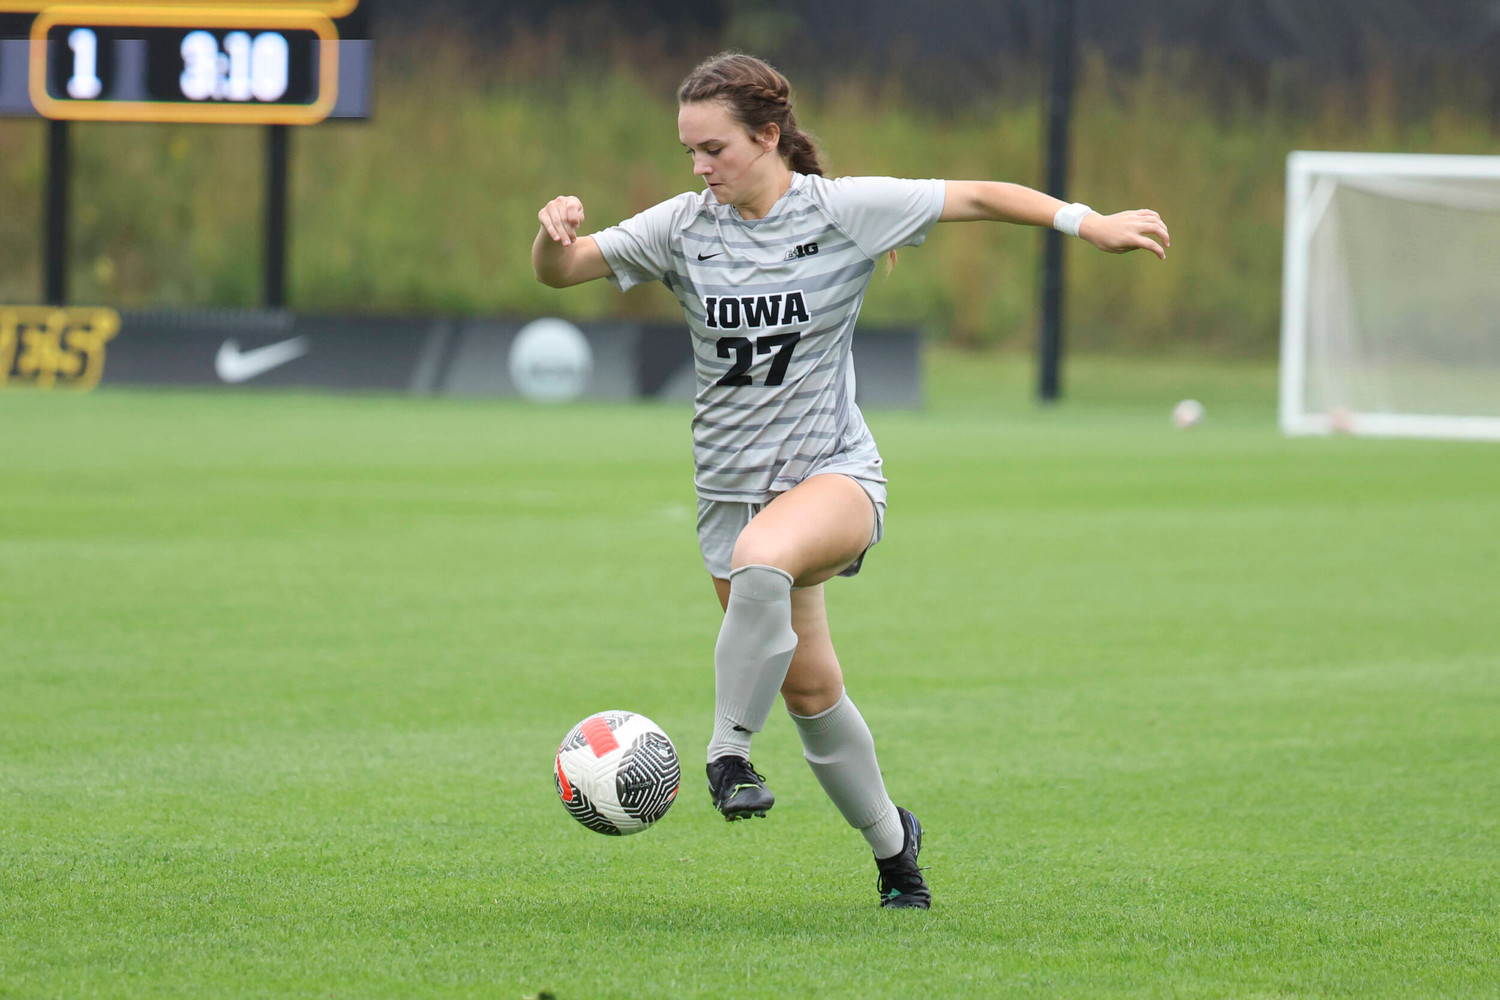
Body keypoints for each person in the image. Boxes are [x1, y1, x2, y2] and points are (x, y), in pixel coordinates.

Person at [532, 52, 1169, 910]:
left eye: (713, 149)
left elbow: (976, 195)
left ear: (768, 136)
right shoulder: (684, 226)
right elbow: (561, 273)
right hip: (728, 492)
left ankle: (725, 753)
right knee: (812, 691)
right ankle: (894, 846)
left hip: (835, 478)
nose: (699, 167)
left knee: (765, 558)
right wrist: (554, 233)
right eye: (689, 151)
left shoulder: (843, 211)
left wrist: (1088, 223)